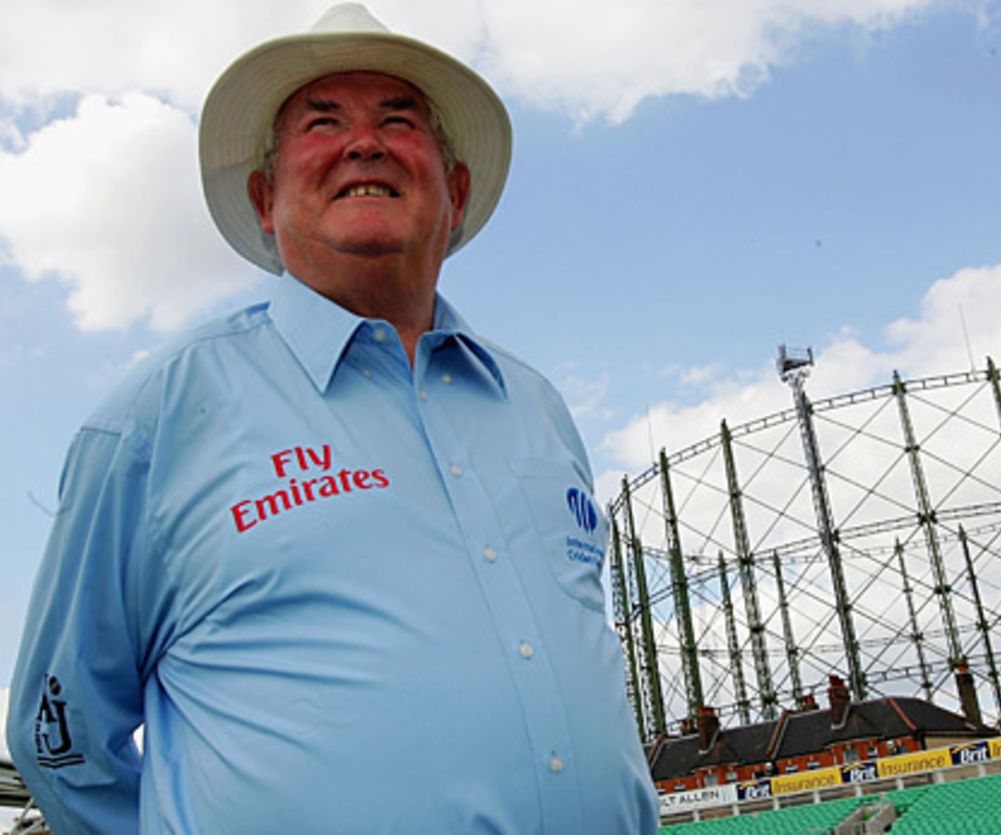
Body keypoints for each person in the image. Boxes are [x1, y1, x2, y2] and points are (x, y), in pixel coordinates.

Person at [5, 4, 659, 832]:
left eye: (399, 119)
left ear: (453, 193)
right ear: (264, 198)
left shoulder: (536, 408)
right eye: (324, 122)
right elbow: (60, 739)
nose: (365, 142)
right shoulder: (156, 418)